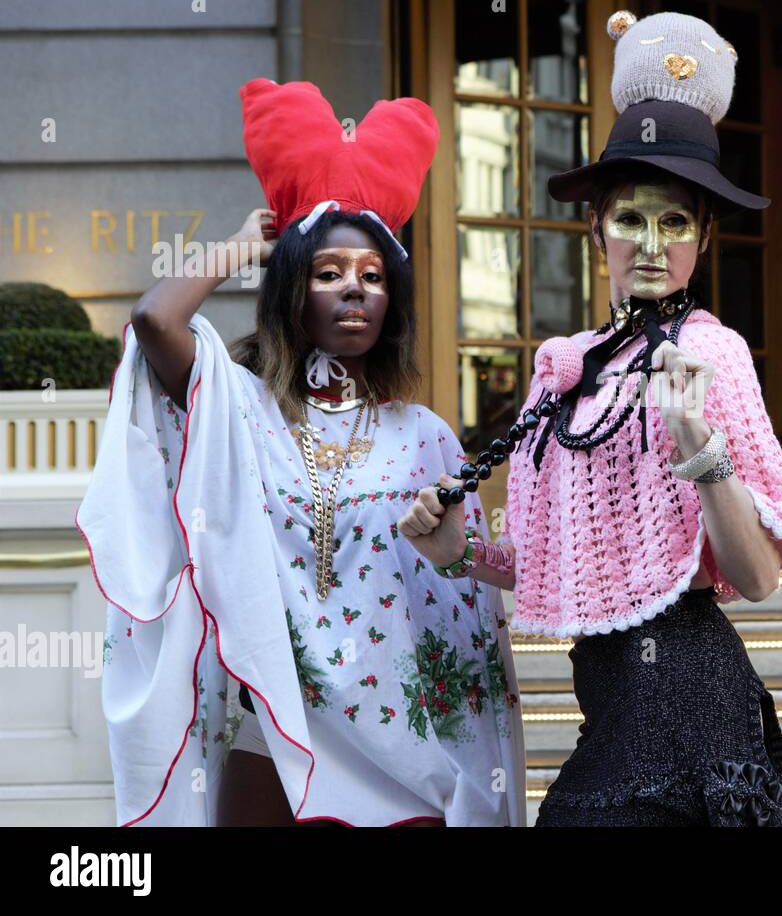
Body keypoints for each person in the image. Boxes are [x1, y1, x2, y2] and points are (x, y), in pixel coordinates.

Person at [78, 78, 525, 826]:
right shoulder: (239, 408)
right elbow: (155, 322)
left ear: (392, 304)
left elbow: (465, 606)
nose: (354, 288)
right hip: (271, 732)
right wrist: (242, 246)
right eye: (328, 273)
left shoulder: (425, 436)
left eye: (373, 276)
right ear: (293, 291)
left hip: (401, 748)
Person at [399, 11, 782, 826]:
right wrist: (461, 552)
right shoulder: (565, 366)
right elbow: (570, 560)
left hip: (693, 703)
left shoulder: (712, 355)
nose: (650, 244)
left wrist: (702, 449)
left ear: (703, 238)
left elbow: (757, 577)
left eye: (676, 221)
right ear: (595, 229)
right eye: (629, 217)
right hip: (611, 705)